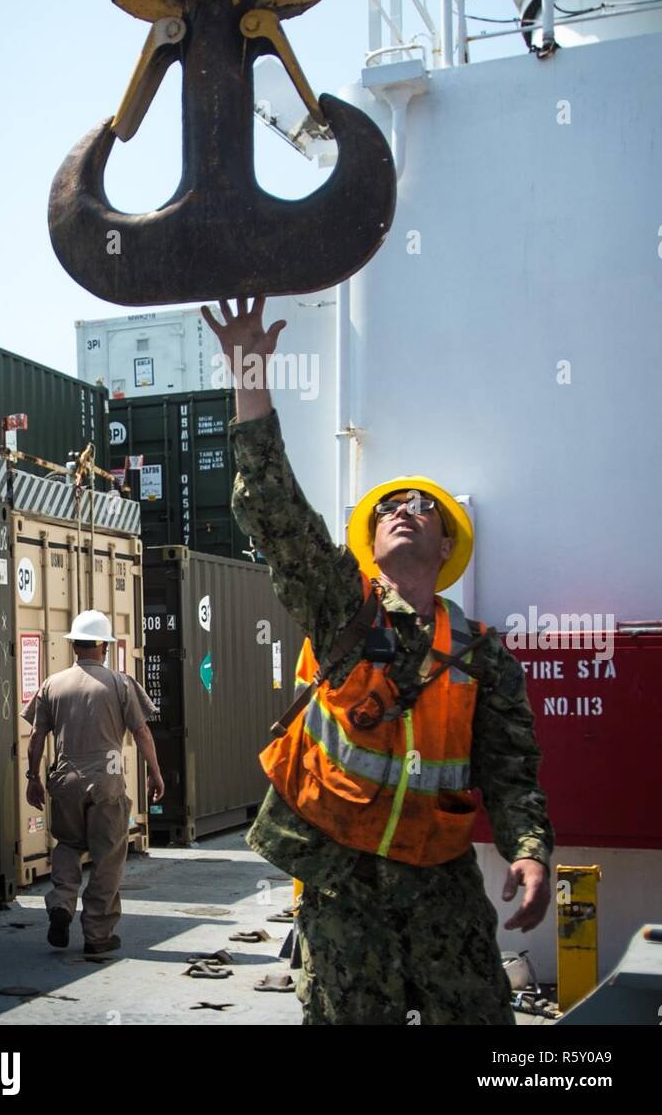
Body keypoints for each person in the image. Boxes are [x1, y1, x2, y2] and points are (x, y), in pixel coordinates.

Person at [202, 296, 554, 1026]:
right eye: (387, 502)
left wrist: (529, 853)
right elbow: (275, 514)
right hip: (341, 876)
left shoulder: (482, 652)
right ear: (369, 537)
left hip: (440, 879)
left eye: (419, 505)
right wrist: (248, 378)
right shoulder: (343, 607)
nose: (400, 507)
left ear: (446, 541)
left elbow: (510, 771)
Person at [22, 609, 164, 955]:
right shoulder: (120, 683)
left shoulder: (52, 684)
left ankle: (62, 902)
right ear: (103, 646)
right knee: (108, 855)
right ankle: (97, 934)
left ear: (74, 646)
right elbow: (142, 731)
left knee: (68, 844)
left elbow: (36, 735)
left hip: (65, 780)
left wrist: (32, 778)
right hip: (107, 782)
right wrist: (155, 771)